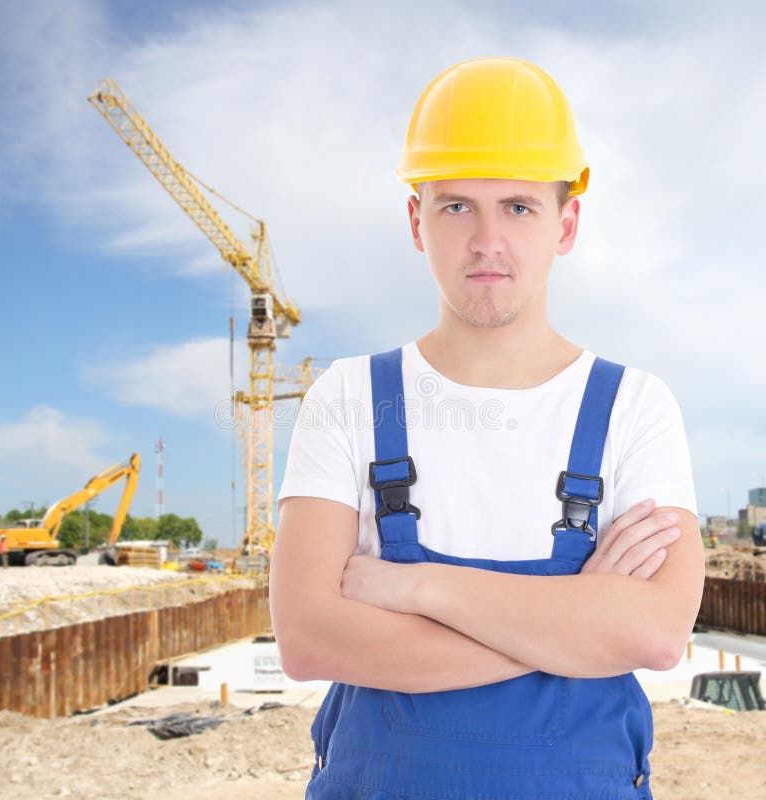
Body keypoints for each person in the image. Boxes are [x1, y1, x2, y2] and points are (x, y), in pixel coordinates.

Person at [269, 57, 704, 800]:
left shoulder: (636, 405)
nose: (487, 241)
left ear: (566, 223)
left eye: (519, 207)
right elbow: (309, 641)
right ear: (416, 221)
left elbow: (656, 634)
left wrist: (416, 588)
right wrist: (572, 619)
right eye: (456, 207)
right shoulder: (346, 397)